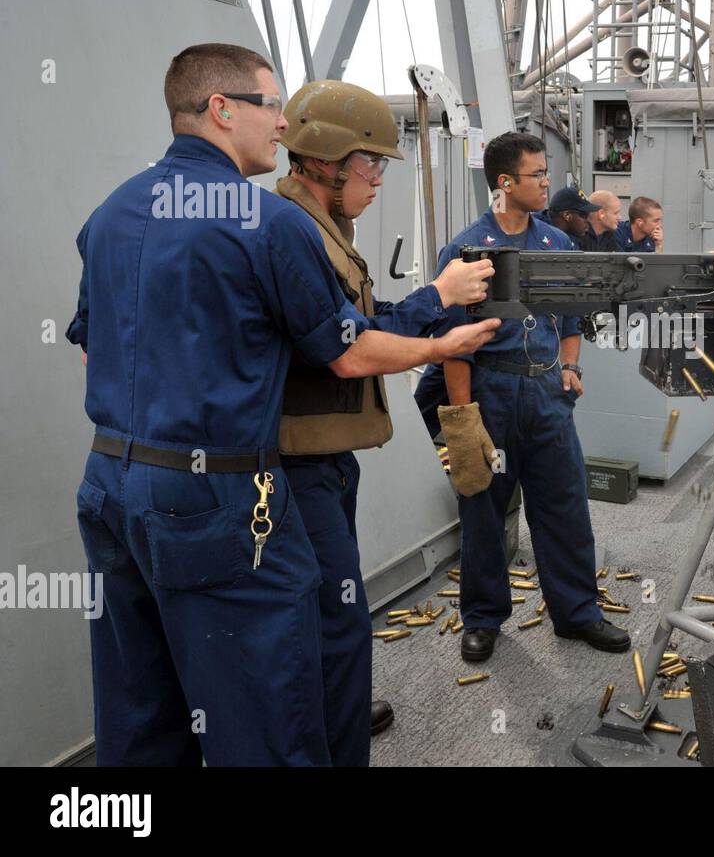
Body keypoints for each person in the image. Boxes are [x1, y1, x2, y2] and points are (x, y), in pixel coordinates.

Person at [66, 43, 498, 766]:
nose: (282, 126)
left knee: (141, 709)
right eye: (272, 106)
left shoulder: (110, 213)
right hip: (221, 497)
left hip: (110, 485)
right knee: (267, 713)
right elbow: (348, 351)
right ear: (222, 108)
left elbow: (92, 347)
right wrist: (440, 345)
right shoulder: (266, 222)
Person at [273, 79, 494, 765]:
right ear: (327, 159)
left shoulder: (324, 229)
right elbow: (347, 349)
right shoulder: (294, 232)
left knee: (328, 612)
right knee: (335, 618)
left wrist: (432, 302)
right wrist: (439, 313)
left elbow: (357, 323)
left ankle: (332, 709)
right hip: (297, 465)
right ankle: (331, 739)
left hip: (324, 459)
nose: (376, 182)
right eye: (370, 166)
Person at [414, 132, 630, 663]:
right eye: (538, 175)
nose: (546, 184)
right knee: (484, 507)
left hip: (546, 392)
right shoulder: (465, 252)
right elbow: (453, 348)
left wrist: (572, 367)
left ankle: (576, 613)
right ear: (505, 182)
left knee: (564, 503)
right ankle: (484, 618)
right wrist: (464, 421)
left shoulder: (559, 245)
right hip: (490, 389)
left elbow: (573, 320)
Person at [546, 185, 618, 251]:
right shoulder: (538, 230)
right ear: (567, 215)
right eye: (584, 215)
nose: (588, 220)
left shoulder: (578, 233)